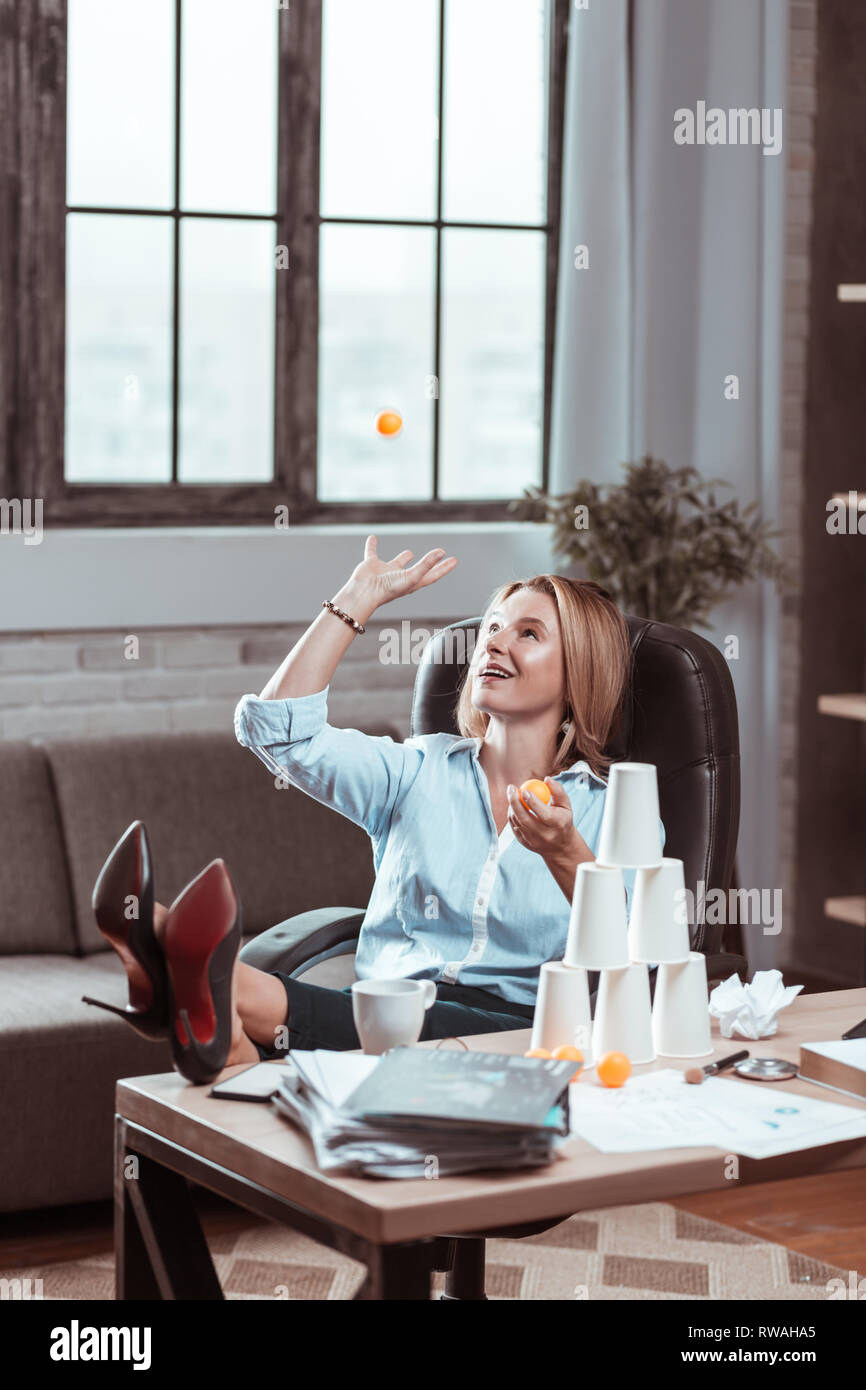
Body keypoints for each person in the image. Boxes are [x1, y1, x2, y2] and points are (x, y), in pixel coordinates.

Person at [170, 534, 662, 1064]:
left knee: (234, 998)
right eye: (492, 627)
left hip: (518, 1038)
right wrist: (355, 600)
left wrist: (567, 855)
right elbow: (279, 733)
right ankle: (230, 1025)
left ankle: (208, 981)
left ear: (578, 672)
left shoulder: (611, 811)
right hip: (386, 1014)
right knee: (272, 1039)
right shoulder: (416, 770)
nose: (494, 643)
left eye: (528, 633)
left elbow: (639, 959)